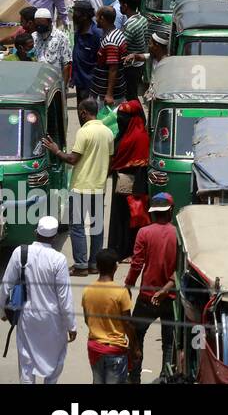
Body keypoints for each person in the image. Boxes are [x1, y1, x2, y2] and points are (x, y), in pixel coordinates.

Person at [0, 214, 75, 383]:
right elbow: (65, 297)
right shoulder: (59, 260)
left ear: (36, 232)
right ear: (55, 237)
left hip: (27, 318)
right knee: (55, 362)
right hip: (53, 321)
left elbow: (6, 285)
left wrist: (3, 311)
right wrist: (71, 325)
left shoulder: (20, 252)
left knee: (26, 363)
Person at [41, 99, 112, 275]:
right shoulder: (108, 132)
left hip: (81, 187)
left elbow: (73, 159)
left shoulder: (84, 132)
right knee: (97, 227)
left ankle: (80, 266)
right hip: (99, 187)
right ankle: (95, 264)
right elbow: (110, 160)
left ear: (83, 113)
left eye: (80, 112)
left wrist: (56, 150)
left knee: (77, 227)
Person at [124, 193, 178, 383]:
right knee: (169, 341)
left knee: (137, 336)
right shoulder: (178, 234)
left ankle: (135, 376)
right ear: (170, 210)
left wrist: (128, 284)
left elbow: (136, 264)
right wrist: (167, 288)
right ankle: (166, 376)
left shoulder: (144, 233)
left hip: (147, 297)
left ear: (153, 213)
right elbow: (180, 268)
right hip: (170, 297)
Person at [82, 248, 131, 384]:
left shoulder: (87, 291)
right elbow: (127, 324)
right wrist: (135, 347)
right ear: (115, 267)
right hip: (115, 350)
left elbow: (87, 319)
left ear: (97, 267)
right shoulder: (121, 293)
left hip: (94, 348)